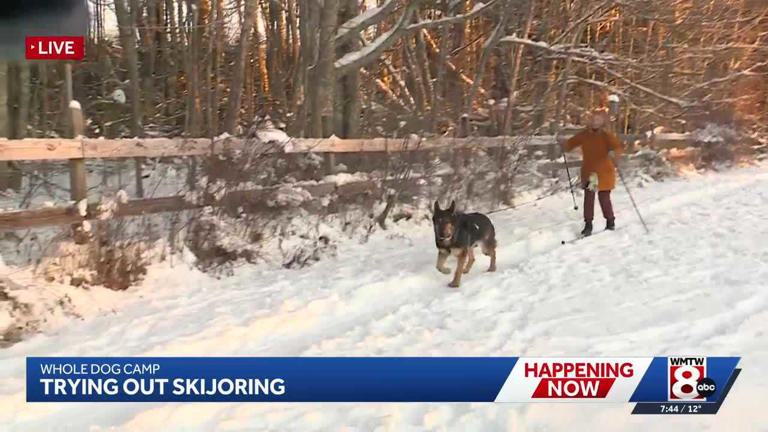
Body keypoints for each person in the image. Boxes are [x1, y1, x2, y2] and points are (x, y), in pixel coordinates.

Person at [564, 109, 623, 236]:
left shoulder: (606, 135)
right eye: (593, 119)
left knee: (604, 198)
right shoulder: (584, 135)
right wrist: (563, 144)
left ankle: (610, 221)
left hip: (604, 172)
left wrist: (614, 152)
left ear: (602, 121)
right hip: (592, 174)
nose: (595, 122)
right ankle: (588, 225)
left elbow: (618, 147)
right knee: (589, 198)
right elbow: (571, 143)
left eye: (598, 119)